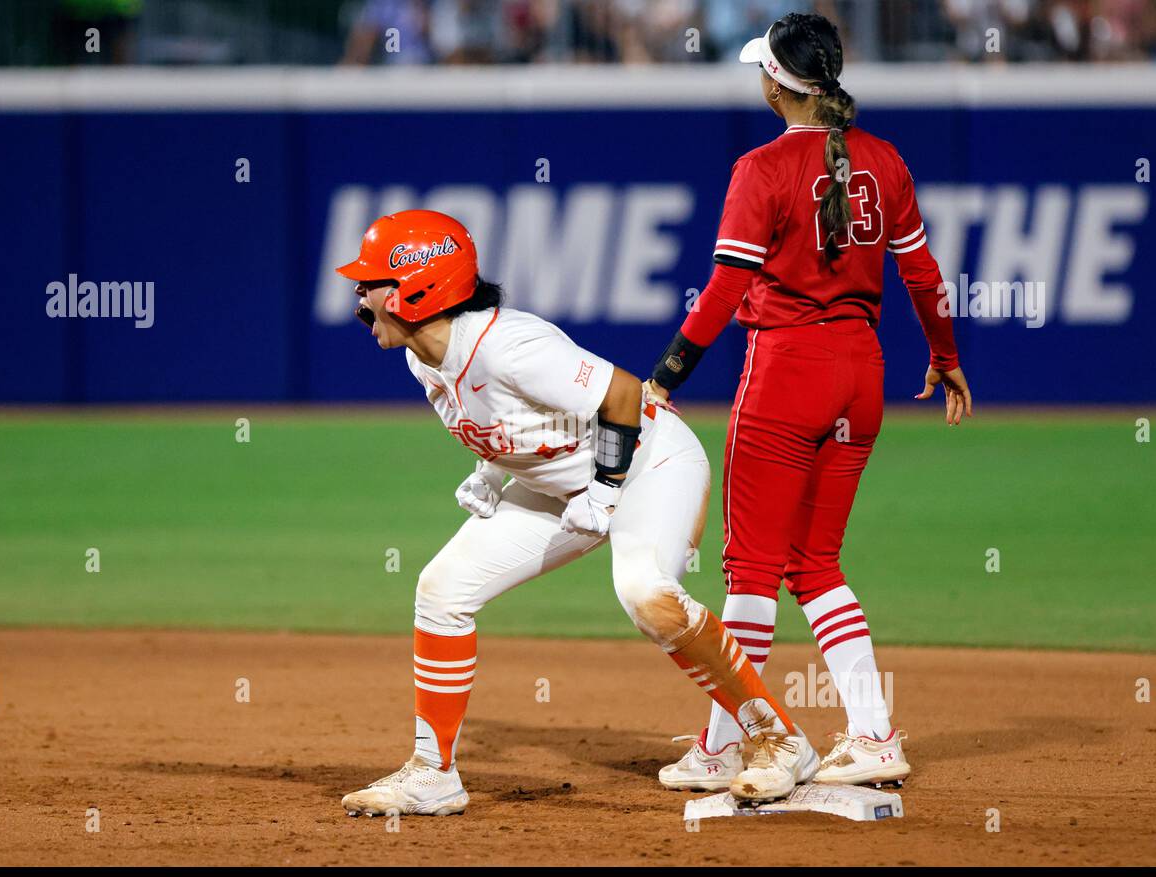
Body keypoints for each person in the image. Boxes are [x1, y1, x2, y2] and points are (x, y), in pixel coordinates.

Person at [334, 210, 817, 816]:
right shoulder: (421, 355)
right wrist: (489, 473)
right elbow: (513, 425)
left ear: (418, 287)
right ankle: (434, 773)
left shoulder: (509, 345)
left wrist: (608, 489)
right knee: (442, 589)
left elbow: (622, 397)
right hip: (566, 483)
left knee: (645, 594)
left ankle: (779, 739)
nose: (358, 294)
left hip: (648, 462)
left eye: (370, 281)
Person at [647, 13, 972, 792]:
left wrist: (667, 374)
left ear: (775, 83)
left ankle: (731, 744)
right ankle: (870, 734)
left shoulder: (760, 168)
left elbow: (726, 287)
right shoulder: (885, 160)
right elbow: (923, 278)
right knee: (814, 562)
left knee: (751, 570)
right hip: (863, 373)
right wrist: (948, 360)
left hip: (787, 373)